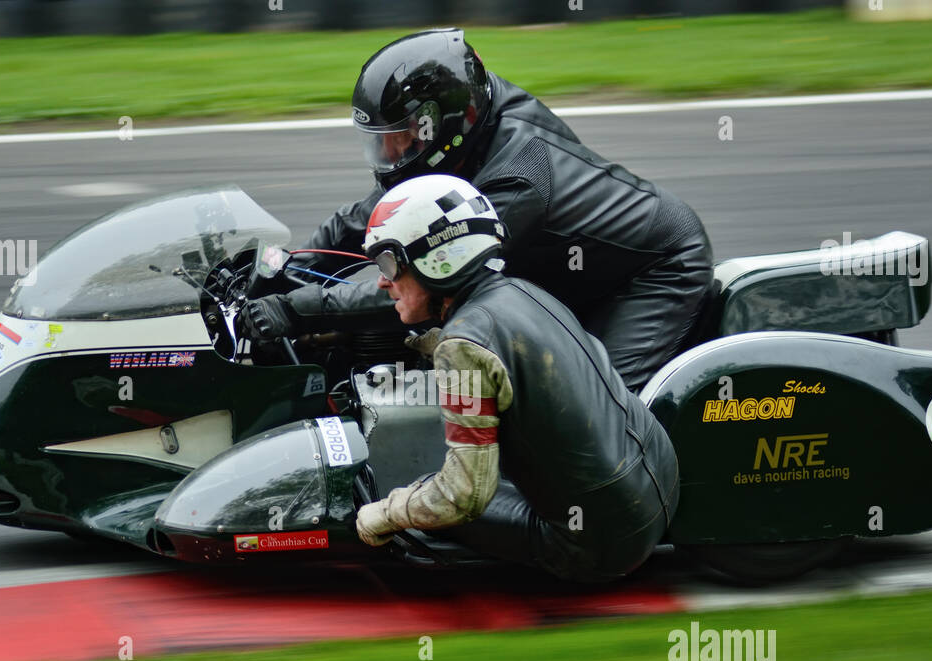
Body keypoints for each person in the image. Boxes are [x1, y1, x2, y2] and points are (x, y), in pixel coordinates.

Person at [244, 27, 715, 393]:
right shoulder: (468, 121)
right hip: (563, 264)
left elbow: (424, 281)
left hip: (654, 271)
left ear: (442, 125)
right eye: (380, 142)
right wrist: (286, 272)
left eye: (399, 138)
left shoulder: (517, 179)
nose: (388, 155)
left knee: (594, 409)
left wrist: (294, 309)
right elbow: (362, 217)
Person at [353, 174, 679, 584]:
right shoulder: (522, 292)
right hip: (657, 488)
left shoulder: (463, 345)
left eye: (387, 263)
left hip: (596, 543)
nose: (382, 281)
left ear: (438, 257)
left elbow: (460, 497)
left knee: (418, 491)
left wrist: (383, 513)